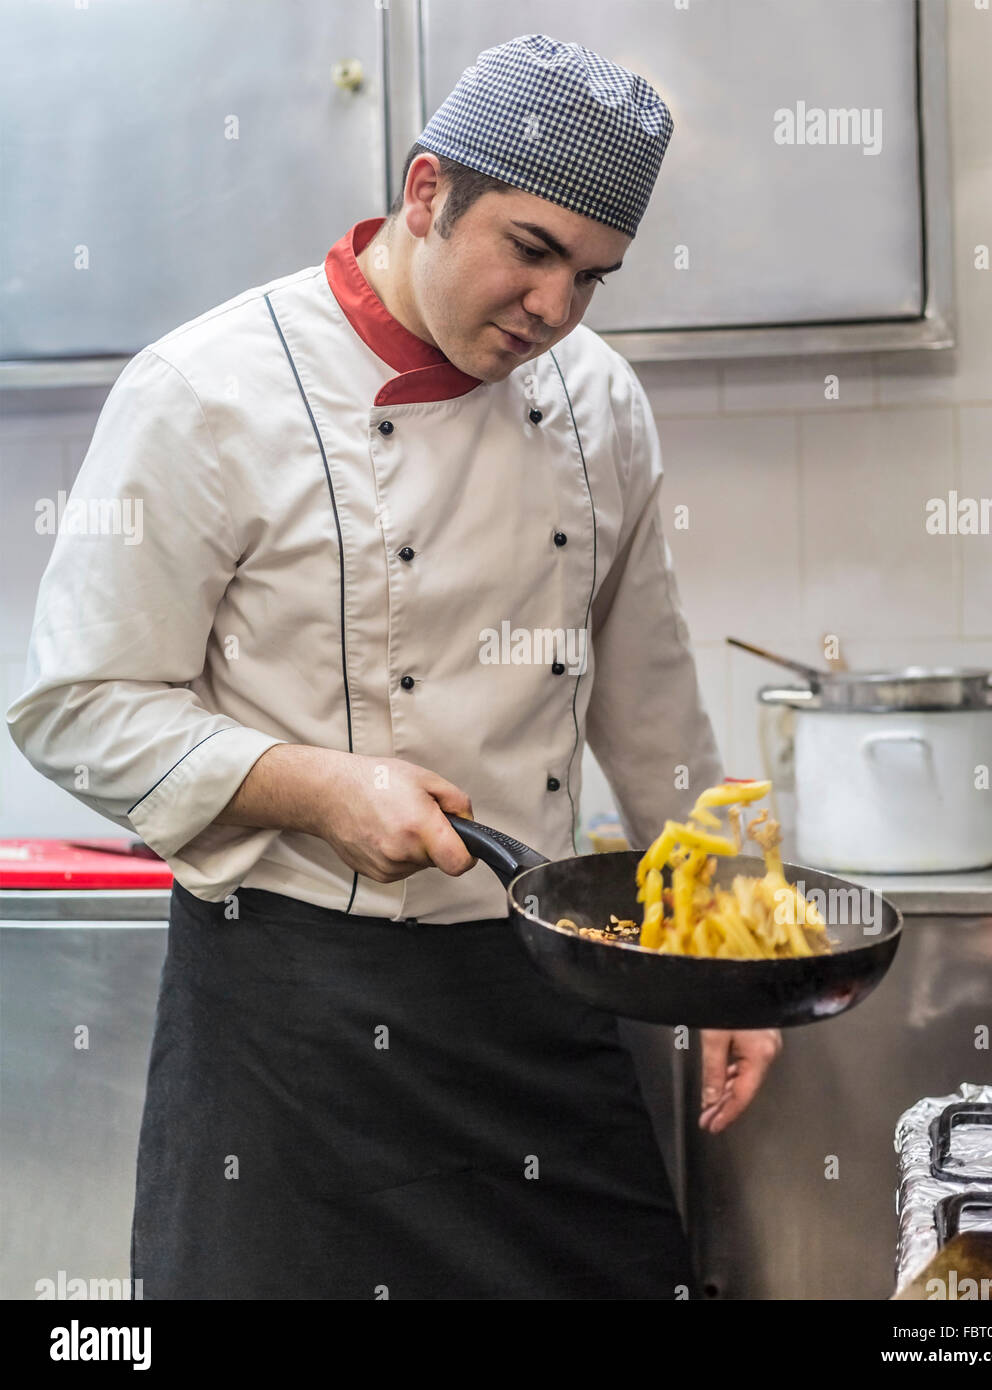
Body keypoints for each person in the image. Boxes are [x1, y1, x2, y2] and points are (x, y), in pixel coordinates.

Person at [6, 34, 780, 1300]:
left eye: (592, 276)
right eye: (529, 250)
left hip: (534, 998)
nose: (554, 310)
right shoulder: (206, 391)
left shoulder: (597, 401)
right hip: (292, 1018)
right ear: (426, 193)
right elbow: (75, 703)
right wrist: (314, 786)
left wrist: (734, 940)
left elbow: (652, 705)